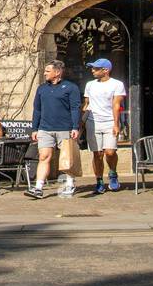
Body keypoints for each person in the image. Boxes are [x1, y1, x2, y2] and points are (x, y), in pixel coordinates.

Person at [27, 59, 81, 199]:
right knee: (44, 156)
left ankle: (70, 184)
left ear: (57, 72)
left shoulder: (70, 88)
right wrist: (35, 128)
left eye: (47, 71)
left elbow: (75, 108)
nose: (44, 73)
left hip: (65, 128)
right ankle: (38, 187)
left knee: (66, 158)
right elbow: (37, 109)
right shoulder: (42, 89)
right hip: (45, 129)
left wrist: (75, 127)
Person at [83, 57, 126, 194]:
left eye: (96, 68)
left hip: (109, 121)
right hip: (92, 122)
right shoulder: (90, 84)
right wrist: (81, 122)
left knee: (110, 151)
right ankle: (99, 180)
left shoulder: (117, 84)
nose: (92, 70)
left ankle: (113, 174)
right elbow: (86, 104)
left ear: (105, 70)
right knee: (97, 154)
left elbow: (116, 104)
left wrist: (116, 124)